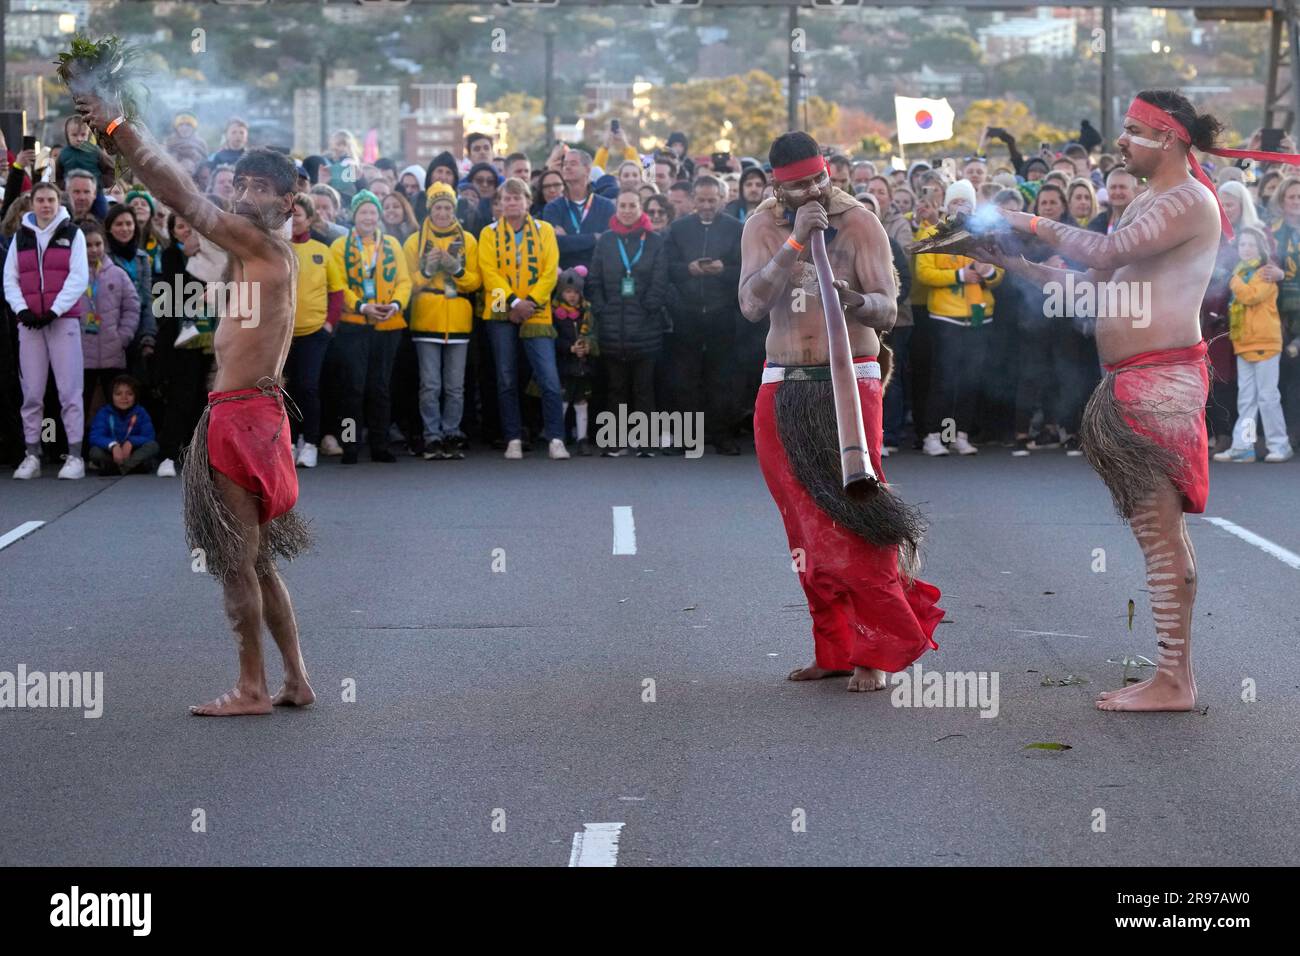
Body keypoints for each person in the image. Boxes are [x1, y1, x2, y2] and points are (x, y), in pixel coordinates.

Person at [982, 90, 1227, 712]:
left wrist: (1028, 221)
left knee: (1157, 528)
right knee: (1154, 529)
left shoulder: (1188, 199)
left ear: (1168, 138)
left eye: (1133, 131)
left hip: (1161, 379)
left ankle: (1175, 679)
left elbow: (1108, 252)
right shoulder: (1148, 200)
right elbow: (1093, 285)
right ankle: (1174, 674)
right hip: (1134, 378)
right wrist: (1008, 261)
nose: (1121, 142)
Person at [78, 90, 314, 716]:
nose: (243, 194)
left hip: (245, 417)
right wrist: (120, 144)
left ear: (287, 202)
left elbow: (181, 194)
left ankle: (252, 688)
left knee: (236, 564)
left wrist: (118, 126)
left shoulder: (266, 249)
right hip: (253, 415)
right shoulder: (250, 252)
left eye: (259, 188)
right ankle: (295, 679)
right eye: (240, 183)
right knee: (258, 562)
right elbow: (177, 192)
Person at [738, 130, 944, 693]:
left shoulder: (859, 223)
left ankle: (874, 653)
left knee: (855, 518)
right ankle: (831, 648)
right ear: (777, 188)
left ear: (829, 173)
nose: (811, 192)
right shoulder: (762, 226)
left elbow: (887, 306)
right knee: (802, 522)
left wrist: (856, 301)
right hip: (783, 383)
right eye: (798, 185)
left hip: (850, 382)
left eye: (818, 180)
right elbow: (752, 304)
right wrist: (794, 246)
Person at [5, 181, 90, 480]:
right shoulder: (21, 237)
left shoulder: (72, 234)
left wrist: (55, 309)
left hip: (62, 321)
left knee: (70, 391)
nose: (45, 205)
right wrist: (22, 309)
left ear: (58, 202)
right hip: (29, 324)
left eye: (51, 199)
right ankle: (32, 454)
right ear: (31, 202)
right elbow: (10, 278)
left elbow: (79, 277)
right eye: (40, 199)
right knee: (32, 393)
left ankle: (75, 456)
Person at [478, 177, 566, 460]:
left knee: (548, 377)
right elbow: (489, 274)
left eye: (517, 198)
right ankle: (513, 437)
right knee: (505, 378)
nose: (512, 202)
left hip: (536, 309)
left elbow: (550, 272)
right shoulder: (489, 233)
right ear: (500, 204)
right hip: (502, 309)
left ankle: (556, 438)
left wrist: (530, 303)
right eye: (507, 198)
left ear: (528, 202)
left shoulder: (545, 230)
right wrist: (514, 302)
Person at [914, 179, 1003, 456]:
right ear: (946, 205)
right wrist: (958, 275)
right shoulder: (932, 233)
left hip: (978, 317)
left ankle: (957, 435)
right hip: (946, 318)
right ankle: (933, 435)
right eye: (955, 201)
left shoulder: (984, 235)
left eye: (965, 201)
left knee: (969, 380)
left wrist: (987, 272)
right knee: (944, 379)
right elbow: (924, 272)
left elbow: (999, 272)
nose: (960, 206)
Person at [329, 190, 412, 464]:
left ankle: (380, 444)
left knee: (380, 386)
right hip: (354, 324)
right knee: (351, 387)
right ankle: (350, 445)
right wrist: (362, 306)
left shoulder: (390, 244)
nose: (368, 217)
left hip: (388, 324)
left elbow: (404, 281)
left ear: (378, 217)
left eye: (372, 212)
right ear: (354, 216)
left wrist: (396, 305)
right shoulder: (340, 246)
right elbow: (338, 284)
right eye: (363, 212)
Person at [664, 175, 744, 455]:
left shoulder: (737, 229)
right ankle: (688, 437)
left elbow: (745, 270)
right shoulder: (678, 229)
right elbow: (668, 268)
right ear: (692, 200)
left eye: (712, 200)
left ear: (722, 199)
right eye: (701, 200)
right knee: (685, 377)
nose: (707, 205)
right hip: (687, 312)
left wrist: (724, 270)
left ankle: (722, 434)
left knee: (722, 377)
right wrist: (690, 269)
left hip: (722, 312)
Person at [588, 189, 669, 457]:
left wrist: (649, 307)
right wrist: (601, 309)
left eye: (632, 205)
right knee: (616, 387)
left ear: (640, 208)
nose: (626, 209)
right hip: (612, 326)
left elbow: (660, 280)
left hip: (646, 326)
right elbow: (594, 279)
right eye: (622, 205)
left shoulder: (654, 240)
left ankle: (646, 442)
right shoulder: (607, 241)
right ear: (616, 209)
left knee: (644, 387)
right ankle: (616, 441)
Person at [405, 182, 481, 460]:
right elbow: (408, 282)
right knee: (430, 385)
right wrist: (428, 269)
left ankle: (452, 433)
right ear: (430, 209)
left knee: (455, 385)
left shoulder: (469, 240)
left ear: (454, 209)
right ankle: (431, 436)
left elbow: (475, 282)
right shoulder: (415, 241)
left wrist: (455, 267)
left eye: (448, 207)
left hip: (459, 321)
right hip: (427, 318)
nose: (443, 212)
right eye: (438, 207)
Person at [1213, 225, 1292, 462]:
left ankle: (1280, 445)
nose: (1246, 249)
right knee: (1246, 398)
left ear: (1261, 248)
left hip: (1265, 343)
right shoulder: (1240, 272)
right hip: (1244, 343)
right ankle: (1244, 445)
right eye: (1242, 244)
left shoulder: (1265, 272)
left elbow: (1250, 296)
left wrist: (1233, 281)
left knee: (1268, 397)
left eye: (1251, 244)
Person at [153, 211, 219, 479]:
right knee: (181, 395)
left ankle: (196, 455)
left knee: (204, 399)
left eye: (191, 226)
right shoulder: (170, 255)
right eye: (180, 226)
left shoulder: (214, 256)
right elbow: (175, 291)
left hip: (210, 335)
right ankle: (168, 454)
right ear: (173, 230)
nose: (186, 231)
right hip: (181, 338)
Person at [287, 194, 345, 469]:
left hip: (314, 332)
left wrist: (329, 325)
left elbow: (337, 291)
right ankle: (288, 441)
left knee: (308, 386)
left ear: (309, 219)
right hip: (282, 334)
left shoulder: (323, 250)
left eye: (297, 215)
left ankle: (310, 442)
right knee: (286, 390)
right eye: (288, 216)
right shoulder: (277, 249)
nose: (292, 220)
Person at [78, 222, 140, 421]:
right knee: (80, 405)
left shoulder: (118, 274)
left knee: (117, 406)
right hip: (81, 355)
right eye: (88, 245)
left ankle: (116, 447)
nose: (94, 250)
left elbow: (132, 307)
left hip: (112, 353)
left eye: (98, 244)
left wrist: (122, 337)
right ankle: (81, 447)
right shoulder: (72, 275)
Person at [542, 148, 615, 272]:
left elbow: (608, 243)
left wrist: (569, 239)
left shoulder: (606, 206)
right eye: (565, 164)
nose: (567, 167)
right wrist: (593, 238)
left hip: (596, 277)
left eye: (573, 164)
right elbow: (555, 244)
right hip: (564, 280)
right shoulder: (553, 208)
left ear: (587, 169)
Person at [552, 265, 596, 456]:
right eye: (568, 291)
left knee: (581, 402)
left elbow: (594, 335)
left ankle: (582, 438)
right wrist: (569, 348)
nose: (572, 296)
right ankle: (558, 436)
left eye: (576, 292)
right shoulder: (555, 315)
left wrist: (588, 346)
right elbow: (552, 340)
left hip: (582, 366)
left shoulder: (587, 314)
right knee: (563, 400)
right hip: (564, 366)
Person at [87, 374, 157, 475]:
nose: (124, 398)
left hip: (133, 452)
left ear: (135, 396)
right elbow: (95, 436)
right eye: (118, 394)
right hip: (112, 453)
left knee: (153, 446)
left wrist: (131, 442)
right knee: (94, 452)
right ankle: (133, 468)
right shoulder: (104, 412)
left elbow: (149, 436)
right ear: (111, 396)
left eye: (129, 394)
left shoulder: (141, 412)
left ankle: (119, 469)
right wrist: (113, 445)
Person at [1088, 168, 1137, 234]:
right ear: (1107, 191)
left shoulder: (1143, 221)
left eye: (1122, 187)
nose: (1117, 192)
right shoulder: (1097, 223)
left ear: (1134, 190)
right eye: (1113, 187)